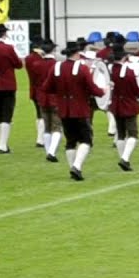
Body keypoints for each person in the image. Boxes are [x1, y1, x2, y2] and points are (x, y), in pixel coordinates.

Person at [46, 41, 106, 181]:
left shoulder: (56, 67)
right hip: (80, 109)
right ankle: (77, 166)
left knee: (70, 141)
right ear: (77, 53)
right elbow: (93, 89)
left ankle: (73, 168)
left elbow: (47, 87)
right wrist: (104, 90)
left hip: (63, 109)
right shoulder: (83, 68)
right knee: (86, 140)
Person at [0, 24, 23, 155]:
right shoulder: (9, 48)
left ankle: (1, 143)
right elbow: (18, 64)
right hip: (8, 83)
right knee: (7, 114)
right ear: (4, 34)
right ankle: (2, 145)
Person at [108, 44, 139, 171]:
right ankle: (125, 158)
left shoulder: (110, 70)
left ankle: (123, 158)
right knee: (133, 134)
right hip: (128, 105)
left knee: (121, 134)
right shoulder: (128, 72)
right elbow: (136, 91)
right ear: (124, 57)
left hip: (116, 105)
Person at [25, 38, 53, 148]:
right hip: (45, 90)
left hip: (34, 88)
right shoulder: (41, 59)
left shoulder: (29, 58)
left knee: (39, 114)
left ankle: (40, 138)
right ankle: (42, 138)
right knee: (45, 115)